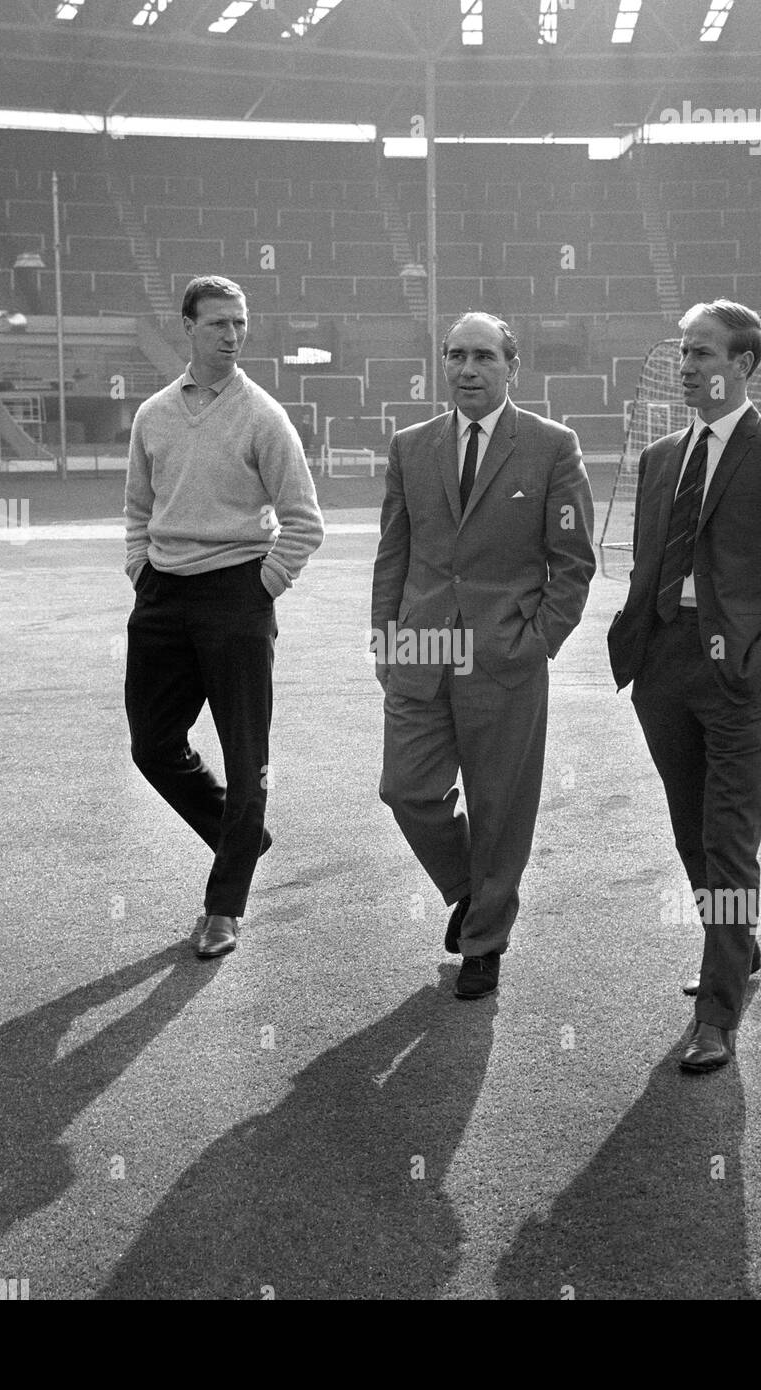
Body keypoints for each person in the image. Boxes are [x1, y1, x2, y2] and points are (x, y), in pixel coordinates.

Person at [607, 299, 761, 1071]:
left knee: (728, 841)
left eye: (703, 354)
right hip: (662, 665)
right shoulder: (659, 458)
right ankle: (737, 946)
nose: (686, 367)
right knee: (687, 830)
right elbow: (650, 563)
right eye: (683, 353)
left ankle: (718, 1013)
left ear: (743, 364)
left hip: (737, 675)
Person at [372, 311, 596, 1000]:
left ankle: (484, 943)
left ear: (511, 368)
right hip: (421, 647)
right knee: (405, 789)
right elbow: (394, 552)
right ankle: (473, 892)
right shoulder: (411, 446)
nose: (466, 369)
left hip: (505, 656)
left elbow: (573, 563)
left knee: (501, 807)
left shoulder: (552, 447)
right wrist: (386, 640)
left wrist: (536, 643)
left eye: (482, 357)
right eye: (455, 355)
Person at [124, 275, 324, 959]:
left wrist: (260, 587)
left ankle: (224, 907)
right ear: (188, 327)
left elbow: (304, 520)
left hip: (237, 598)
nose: (233, 336)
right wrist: (139, 569)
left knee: (248, 761)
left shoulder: (263, 416)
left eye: (240, 324)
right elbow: (136, 509)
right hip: (163, 598)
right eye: (218, 325)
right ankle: (243, 836)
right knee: (152, 745)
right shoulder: (153, 415)